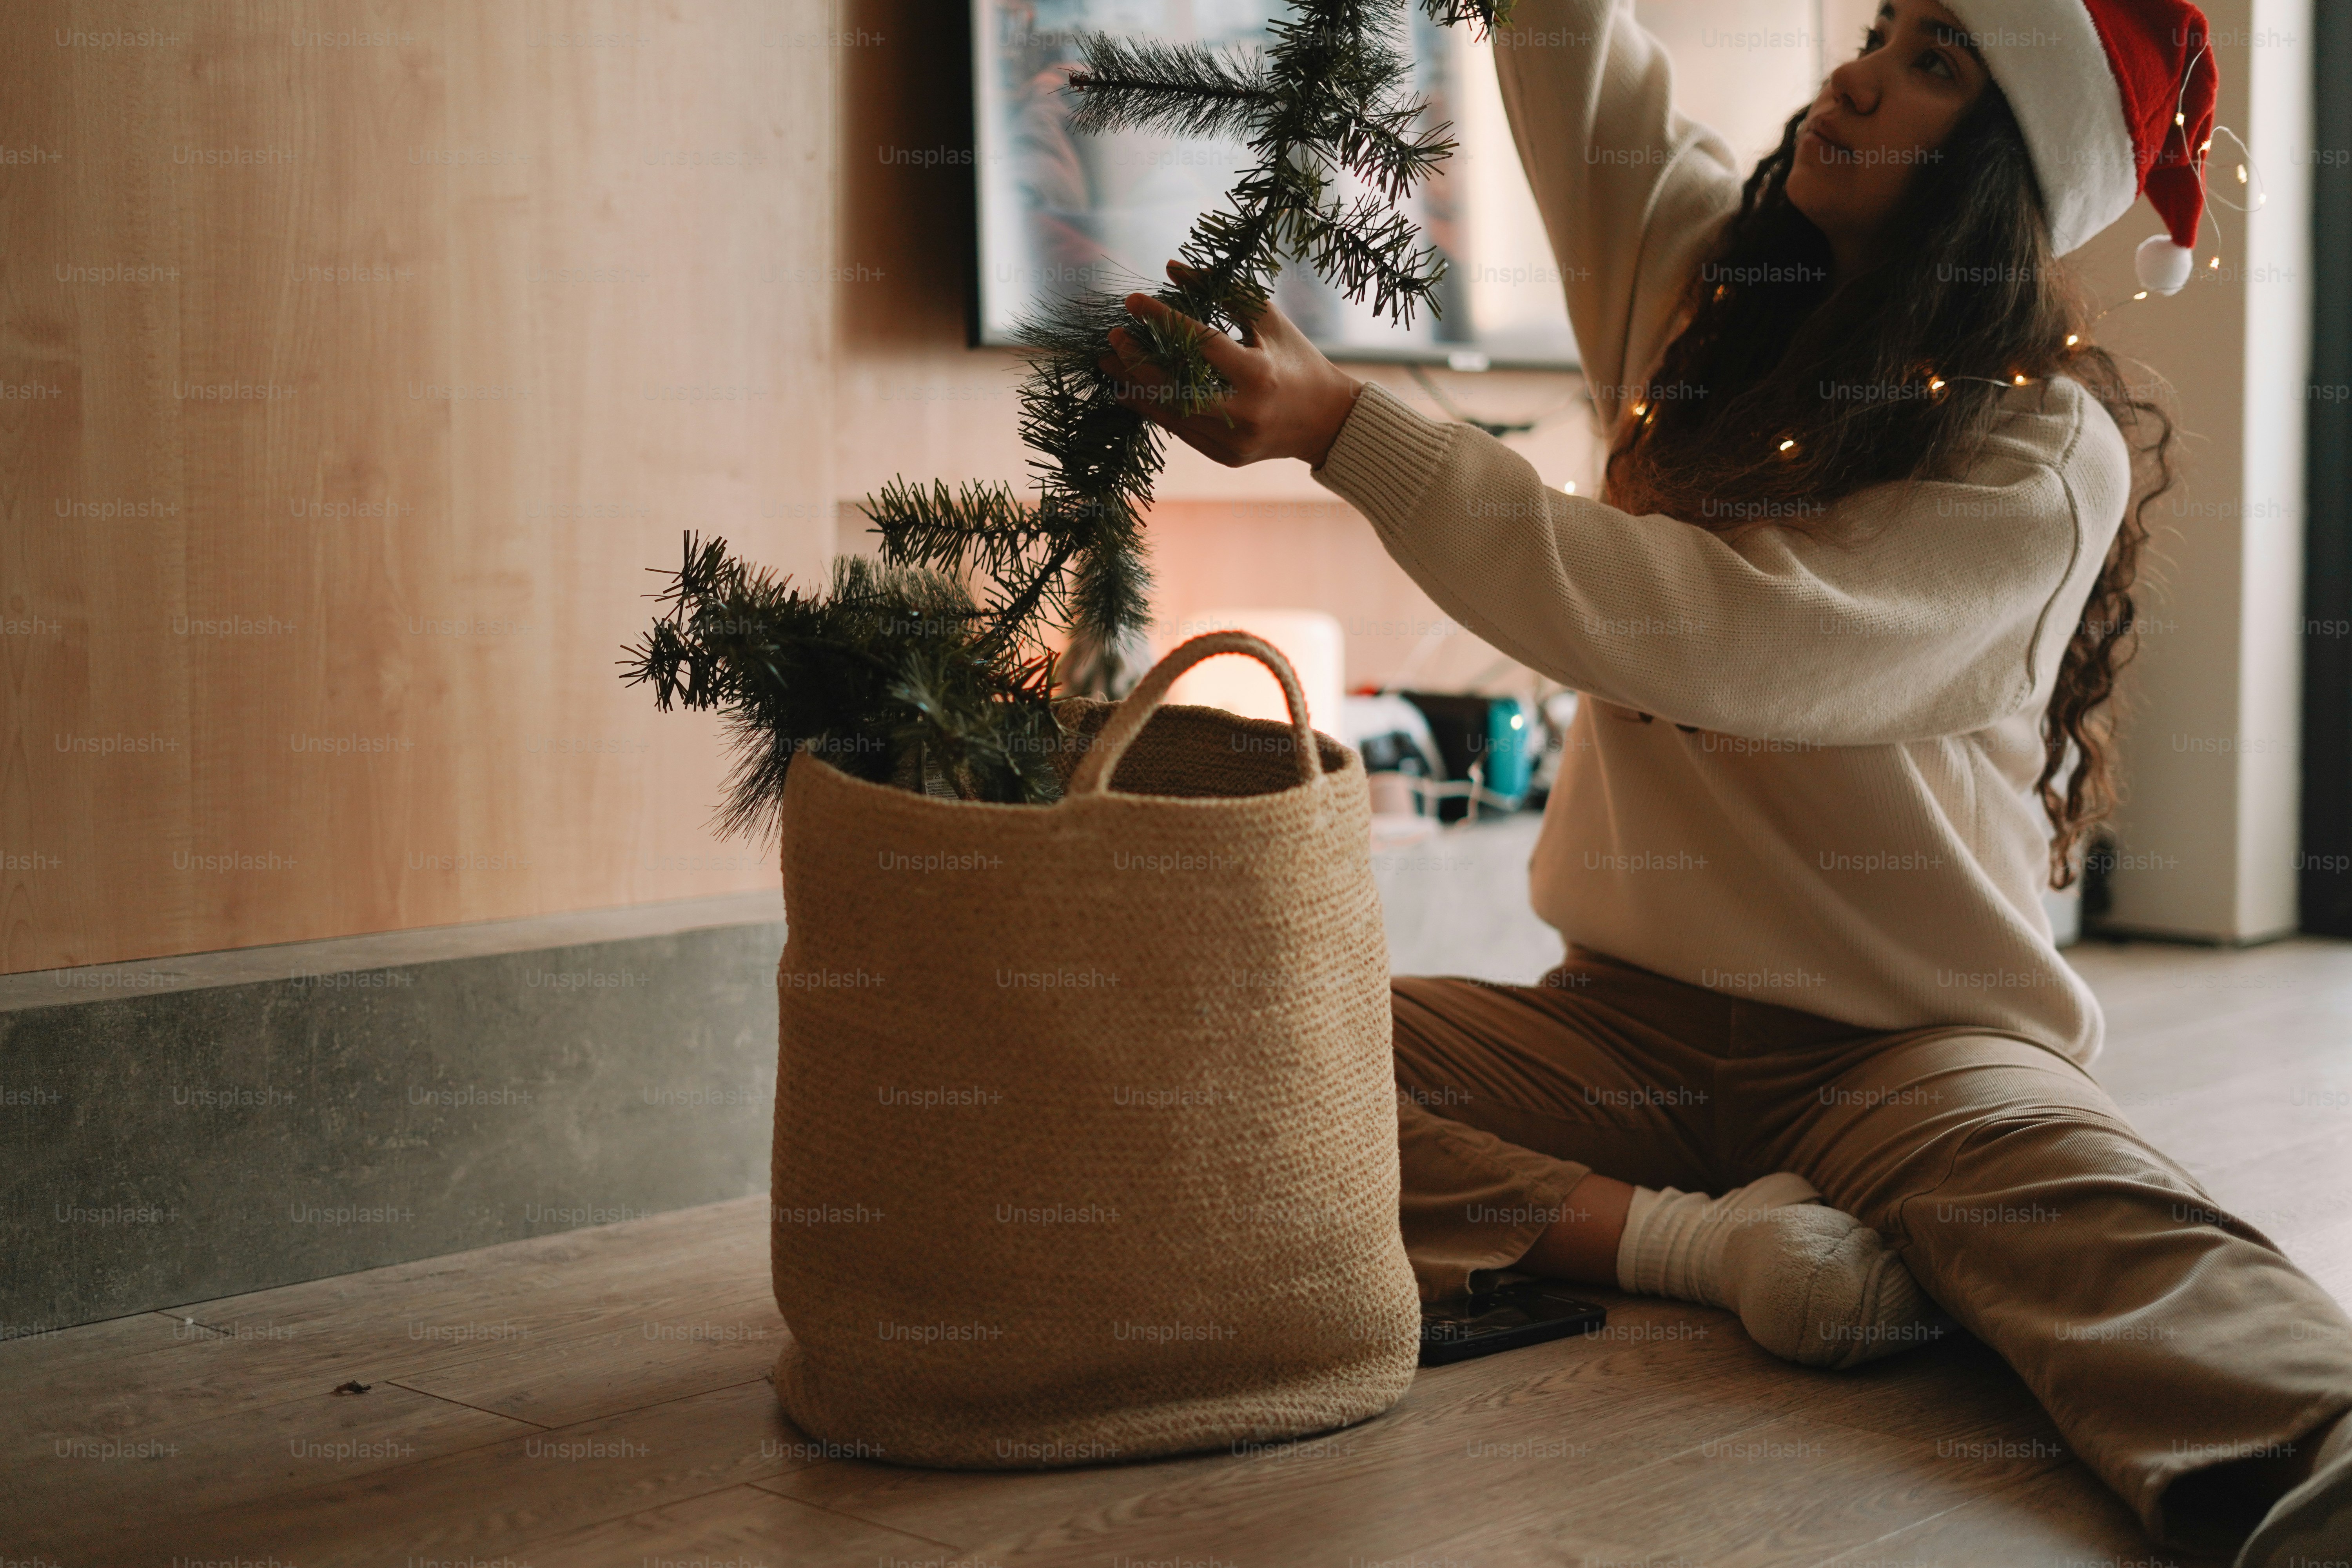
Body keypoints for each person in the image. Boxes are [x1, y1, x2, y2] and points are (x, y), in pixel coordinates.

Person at [1095, 0, 2352, 1561]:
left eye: (1934, 67)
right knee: (1216, 1048)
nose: (1861, 73)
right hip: (1627, 1028)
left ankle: (2322, 1472)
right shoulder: (1699, 286)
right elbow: (1569, 47)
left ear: (2000, 178)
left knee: (2116, 1248)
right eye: (1883, 31)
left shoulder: (2039, 460)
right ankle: (1721, 1253)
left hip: (1907, 1047)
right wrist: (1718, 1244)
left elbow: (1737, 639)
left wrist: (1356, 433)